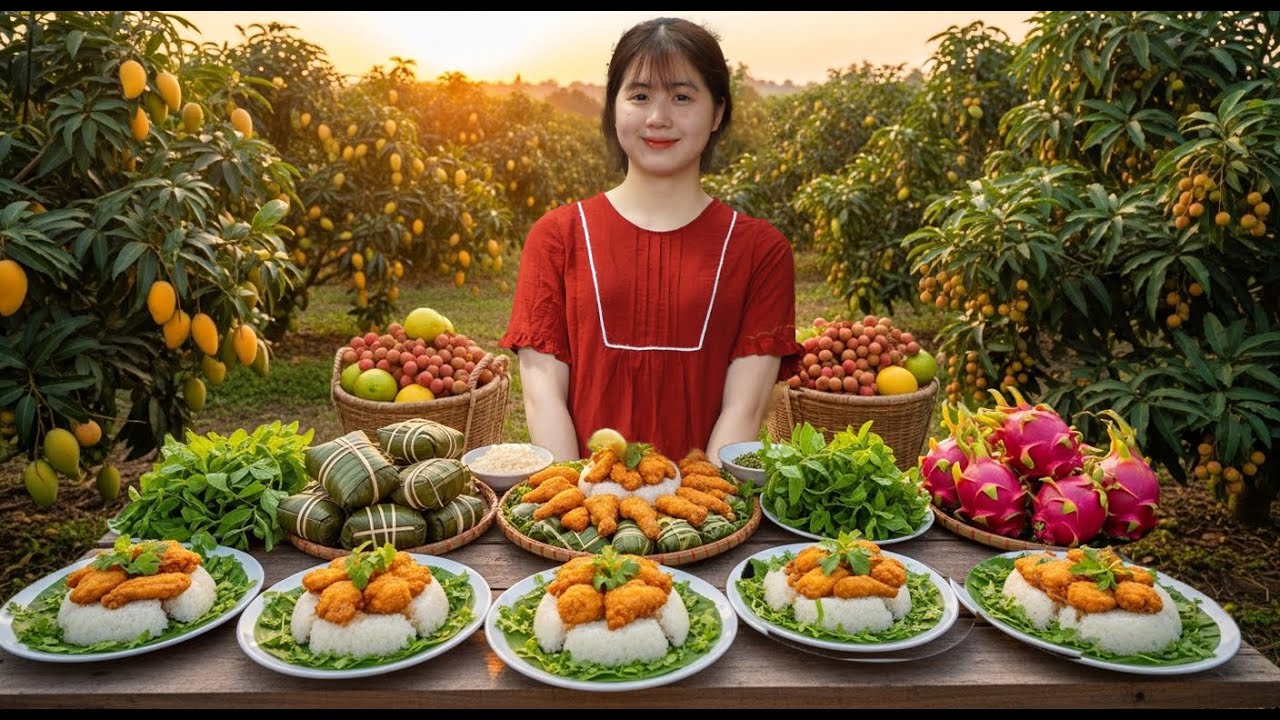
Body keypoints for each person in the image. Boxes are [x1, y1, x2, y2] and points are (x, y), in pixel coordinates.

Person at [500, 16, 801, 465]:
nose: (658, 118)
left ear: (717, 112)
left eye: (682, 97)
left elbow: (746, 409)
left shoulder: (760, 250)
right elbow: (542, 397)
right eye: (639, 96)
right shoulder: (558, 237)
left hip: (711, 510)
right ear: (613, 107)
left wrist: (702, 512)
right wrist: (576, 502)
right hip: (579, 514)